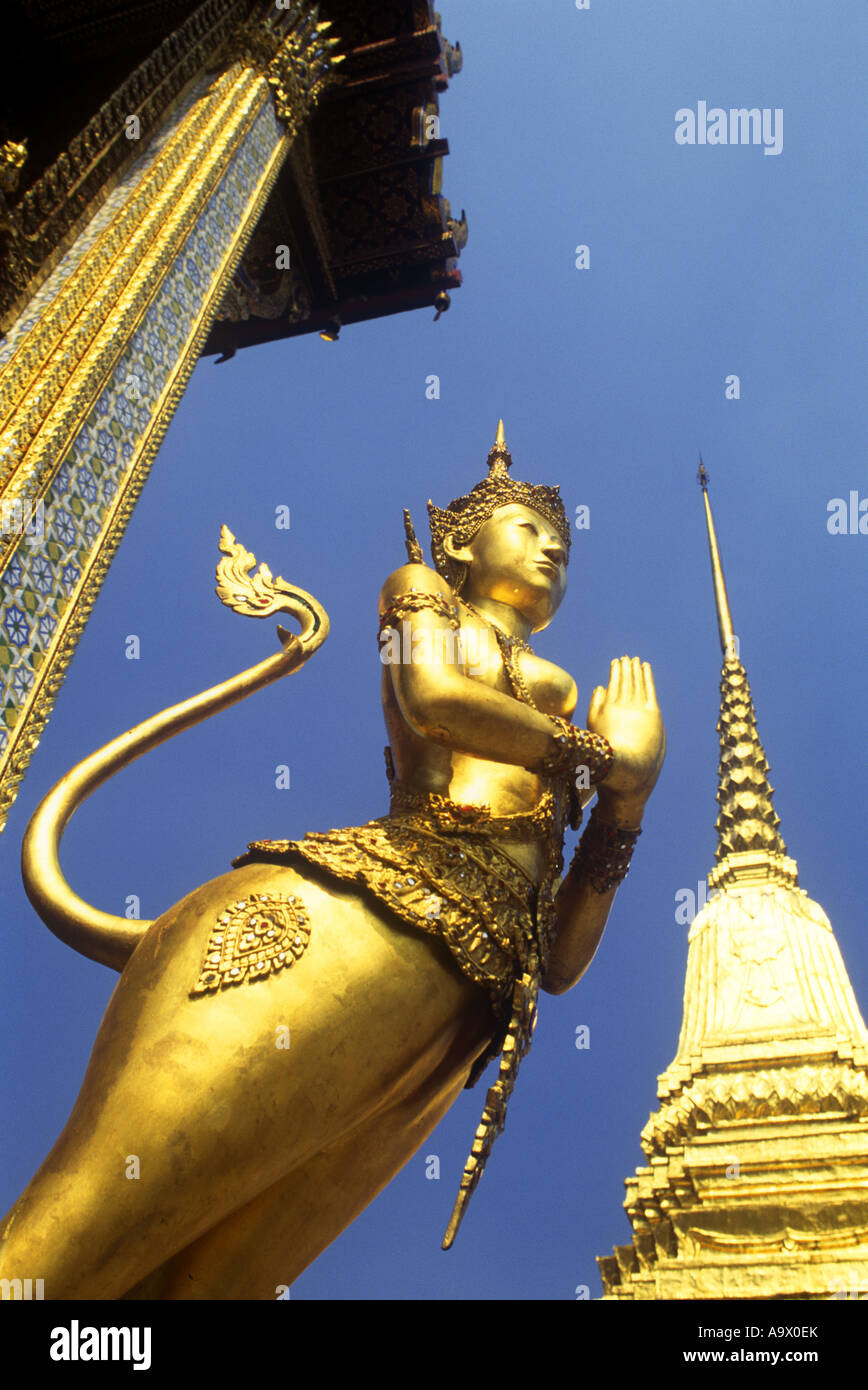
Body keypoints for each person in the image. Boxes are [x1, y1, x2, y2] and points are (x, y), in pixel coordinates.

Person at [0, 423, 664, 1299]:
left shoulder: (575, 717)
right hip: (377, 902)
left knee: (195, 1289)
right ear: (463, 541)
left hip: (467, 1009)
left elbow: (565, 964)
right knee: (86, 1227)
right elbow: (432, 701)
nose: (552, 551)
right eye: (529, 528)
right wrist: (598, 760)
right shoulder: (421, 592)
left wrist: (628, 801)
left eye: (565, 548)